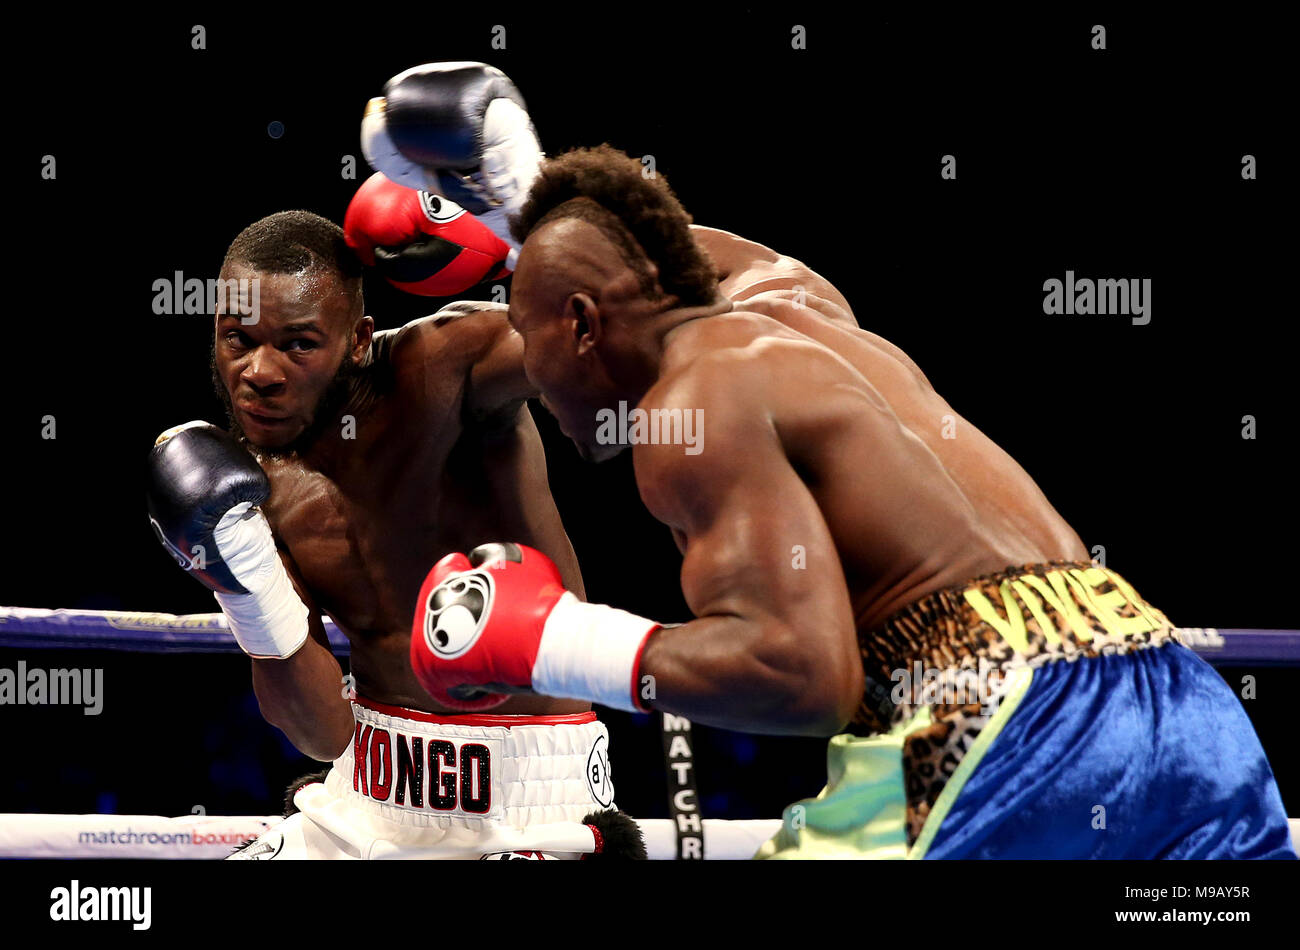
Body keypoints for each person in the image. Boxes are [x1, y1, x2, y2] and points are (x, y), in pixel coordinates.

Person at [363, 64, 1295, 858]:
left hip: (988, 721)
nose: (532, 378)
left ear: (578, 325)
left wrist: (553, 644)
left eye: (524, 338)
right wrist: (521, 182)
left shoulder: (687, 407)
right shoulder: (801, 312)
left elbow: (805, 676)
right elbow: (660, 260)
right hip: (1177, 696)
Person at [145, 209, 639, 859]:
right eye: (238, 339)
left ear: (357, 339)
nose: (259, 371)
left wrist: (515, 235)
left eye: (297, 343)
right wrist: (242, 583)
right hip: (363, 792)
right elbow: (322, 734)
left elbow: (608, 343)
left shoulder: (446, 368)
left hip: (523, 801)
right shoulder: (247, 490)